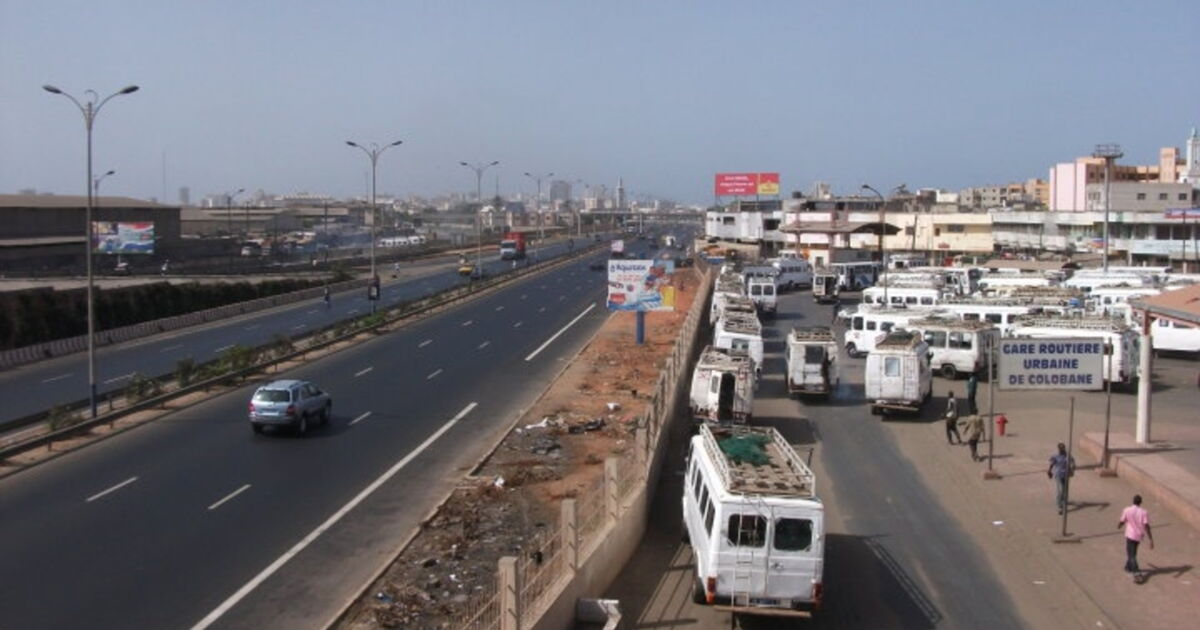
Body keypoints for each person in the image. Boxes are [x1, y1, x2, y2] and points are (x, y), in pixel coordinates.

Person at [1118, 494, 1153, 580]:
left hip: (1130, 535)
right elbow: (1147, 526)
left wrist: (1119, 525)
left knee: (1131, 554)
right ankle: (1128, 566)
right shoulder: (1144, 512)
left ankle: (1137, 573)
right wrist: (1150, 539)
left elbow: (1122, 521)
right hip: (1138, 536)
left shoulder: (1127, 510)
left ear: (1133, 501)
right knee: (1132, 552)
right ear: (1140, 502)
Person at [1047, 442, 1076, 515]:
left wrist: (1072, 468)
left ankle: (1063, 501)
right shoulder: (1056, 456)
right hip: (1058, 475)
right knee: (1060, 490)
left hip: (1066, 475)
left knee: (1065, 490)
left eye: (1062, 448)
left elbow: (1073, 463)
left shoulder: (1067, 456)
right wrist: (1049, 471)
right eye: (1060, 449)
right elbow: (1051, 464)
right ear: (1058, 449)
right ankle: (1060, 506)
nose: (1061, 450)